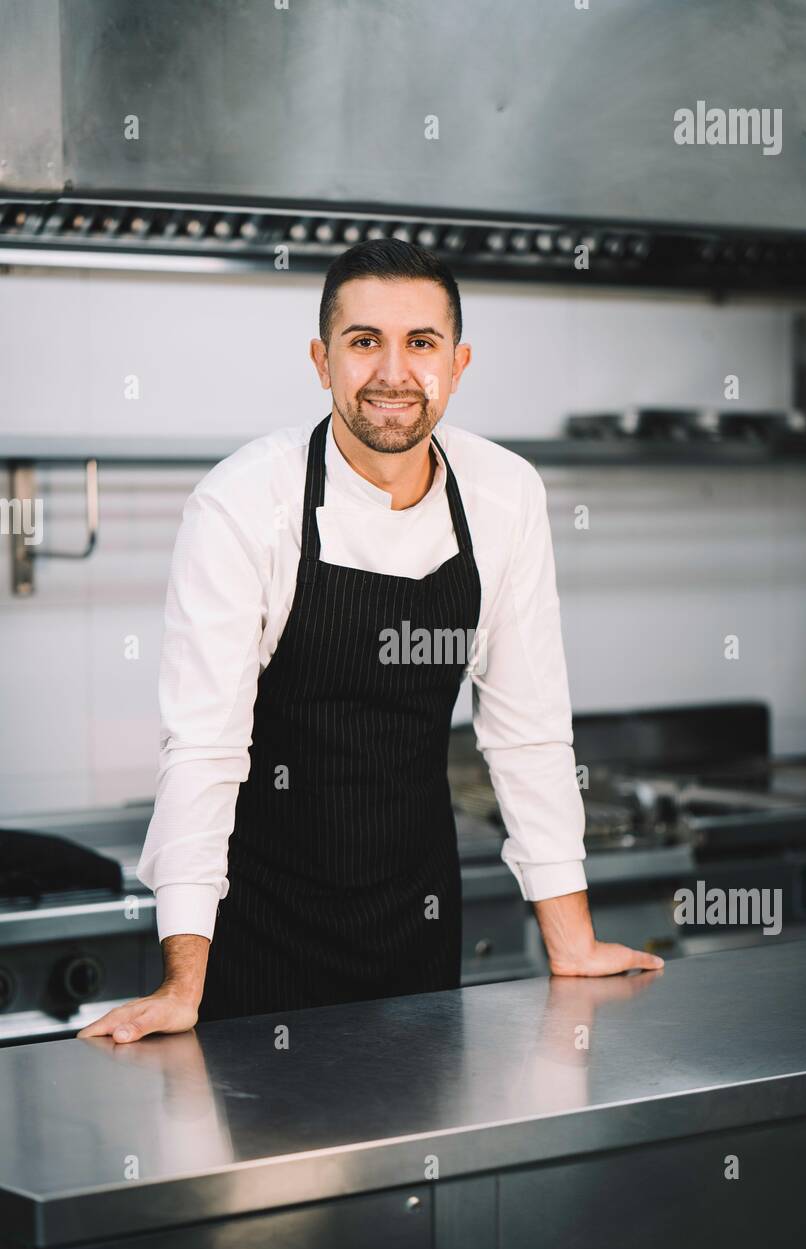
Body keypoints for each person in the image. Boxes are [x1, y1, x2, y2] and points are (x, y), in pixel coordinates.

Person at [79, 239, 662, 1044]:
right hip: (258, 930)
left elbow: (526, 729)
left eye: (420, 343)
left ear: (457, 364)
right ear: (322, 361)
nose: (393, 372)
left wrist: (573, 941)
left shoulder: (503, 495)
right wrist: (184, 984)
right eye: (364, 343)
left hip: (417, 917)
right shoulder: (243, 505)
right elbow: (204, 750)